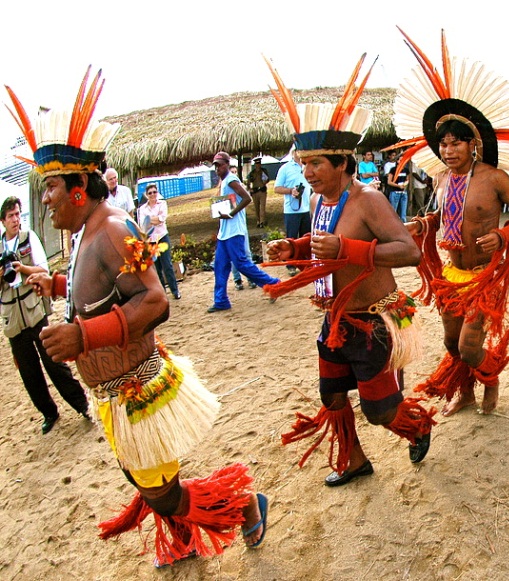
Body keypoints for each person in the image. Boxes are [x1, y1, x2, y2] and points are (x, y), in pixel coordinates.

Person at [8, 68, 267, 567]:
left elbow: (154, 302)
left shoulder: (110, 229)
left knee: (163, 493)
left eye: (51, 188)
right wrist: (58, 286)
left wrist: (82, 335)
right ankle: (184, 539)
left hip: (136, 389)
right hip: (113, 394)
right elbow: (103, 294)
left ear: (80, 185)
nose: (45, 199)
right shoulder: (86, 232)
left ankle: (244, 505)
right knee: (145, 482)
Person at [262, 53, 435, 486]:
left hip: (375, 322)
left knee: (380, 412)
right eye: (304, 163)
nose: (307, 172)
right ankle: (355, 461)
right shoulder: (324, 201)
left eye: (316, 163)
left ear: (342, 163)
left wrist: (349, 248)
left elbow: (409, 250)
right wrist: (295, 245)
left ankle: (419, 426)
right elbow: (328, 242)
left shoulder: (369, 199)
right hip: (336, 320)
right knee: (333, 396)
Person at [394, 29, 509, 416]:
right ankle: (467, 393)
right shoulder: (441, 179)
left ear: (472, 144)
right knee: (450, 341)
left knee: (469, 347)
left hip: (484, 274)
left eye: (456, 143)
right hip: (450, 274)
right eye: (443, 145)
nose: (448, 150)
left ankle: (490, 381)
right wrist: (422, 226)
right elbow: (442, 216)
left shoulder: (493, 177)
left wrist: (504, 233)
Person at [1, 196, 90, 434]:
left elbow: (43, 269)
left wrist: (22, 268)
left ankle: (81, 404)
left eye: (18, 214)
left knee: (54, 361)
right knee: (29, 372)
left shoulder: (29, 238)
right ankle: (49, 413)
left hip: (33, 311)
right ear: (3, 220)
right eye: (11, 216)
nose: (16, 220)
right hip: (12, 317)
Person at [208, 151, 279, 313]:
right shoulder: (225, 181)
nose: (217, 168)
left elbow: (247, 198)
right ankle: (221, 300)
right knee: (220, 265)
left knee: (242, 264)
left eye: (220, 165)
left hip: (234, 231)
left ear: (227, 164)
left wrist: (231, 213)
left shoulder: (231, 180)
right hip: (225, 232)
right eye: (215, 166)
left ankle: (273, 284)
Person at [136, 183, 180, 300]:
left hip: (162, 237)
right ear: (146, 195)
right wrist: (154, 220)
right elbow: (143, 224)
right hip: (150, 240)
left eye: (154, 192)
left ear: (157, 192)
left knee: (167, 266)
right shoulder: (142, 209)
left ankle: (175, 291)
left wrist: (151, 220)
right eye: (150, 193)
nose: (152, 195)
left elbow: (162, 219)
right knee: (157, 268)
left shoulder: (162, 203)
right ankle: (162, 293)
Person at [274, 147, 312, 276]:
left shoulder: (308, 166)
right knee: (291, 238)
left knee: (305, 237)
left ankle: (305, 263)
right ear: (294, 152)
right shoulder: (285, 168)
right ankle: (290, 264)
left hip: (306, 208)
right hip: (291, 210)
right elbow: (277, 188)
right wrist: (291, 191)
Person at [384, 150, 409, 221]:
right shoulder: (393, 170)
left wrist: (405, 184)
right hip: (395, 192)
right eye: (401, 160)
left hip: (403, 192)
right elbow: (389, 182)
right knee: (393, 212)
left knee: (403, 214)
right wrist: (398, 186)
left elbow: (407, 179)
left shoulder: (406, 170)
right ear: (397, 161)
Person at [246, 158, 270, 228]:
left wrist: (265, 182)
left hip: (262, 191)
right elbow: (248, 181)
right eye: (257, 164)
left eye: (259, 163)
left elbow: (267, 179)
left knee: (262, 207)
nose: (258, 165)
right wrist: (249, 189)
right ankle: (258, 221)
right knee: (256, 207)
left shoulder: (264, 171)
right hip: (255, 191)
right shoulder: (252, 173)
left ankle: (262, 221)